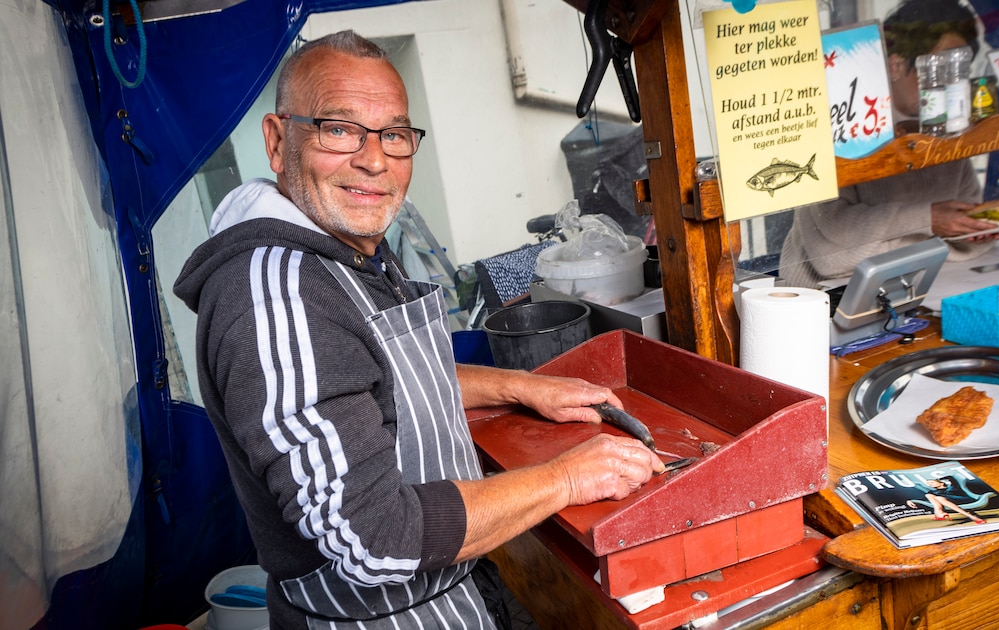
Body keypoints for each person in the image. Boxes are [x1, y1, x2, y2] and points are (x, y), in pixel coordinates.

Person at [173, 30, 664, 628]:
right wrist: (567, 476)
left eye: (394, 135)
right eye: (339, 128)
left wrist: (518, 386)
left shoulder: (347, 248)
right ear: (278, 142)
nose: (374, 159)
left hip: (456, 591)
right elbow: (377, 538)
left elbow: (382, 378)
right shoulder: (277, 294)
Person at [778, 0, 999, 288]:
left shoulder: (947, 130)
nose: (953, 83)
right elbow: (830, 257)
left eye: (961, 68)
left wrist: (971, 227)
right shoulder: (843, 127)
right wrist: (930, 222)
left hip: (923, 289)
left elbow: (970, 244)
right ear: (895, 64)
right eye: (942, 66)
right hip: (825, 302)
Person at [906, 477, 987, 524]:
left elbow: (951, 478)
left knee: (937, 497)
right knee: (929, 495)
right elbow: (925, 499)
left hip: (964, 500)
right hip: (947, 502)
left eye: (932, 482)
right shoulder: (932, 492)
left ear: (941, 483)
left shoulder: (952, 486)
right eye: (928, 483)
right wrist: (910, 500)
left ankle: (938, 513)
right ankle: (971, 516)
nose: (929, 484)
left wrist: (941, 477)